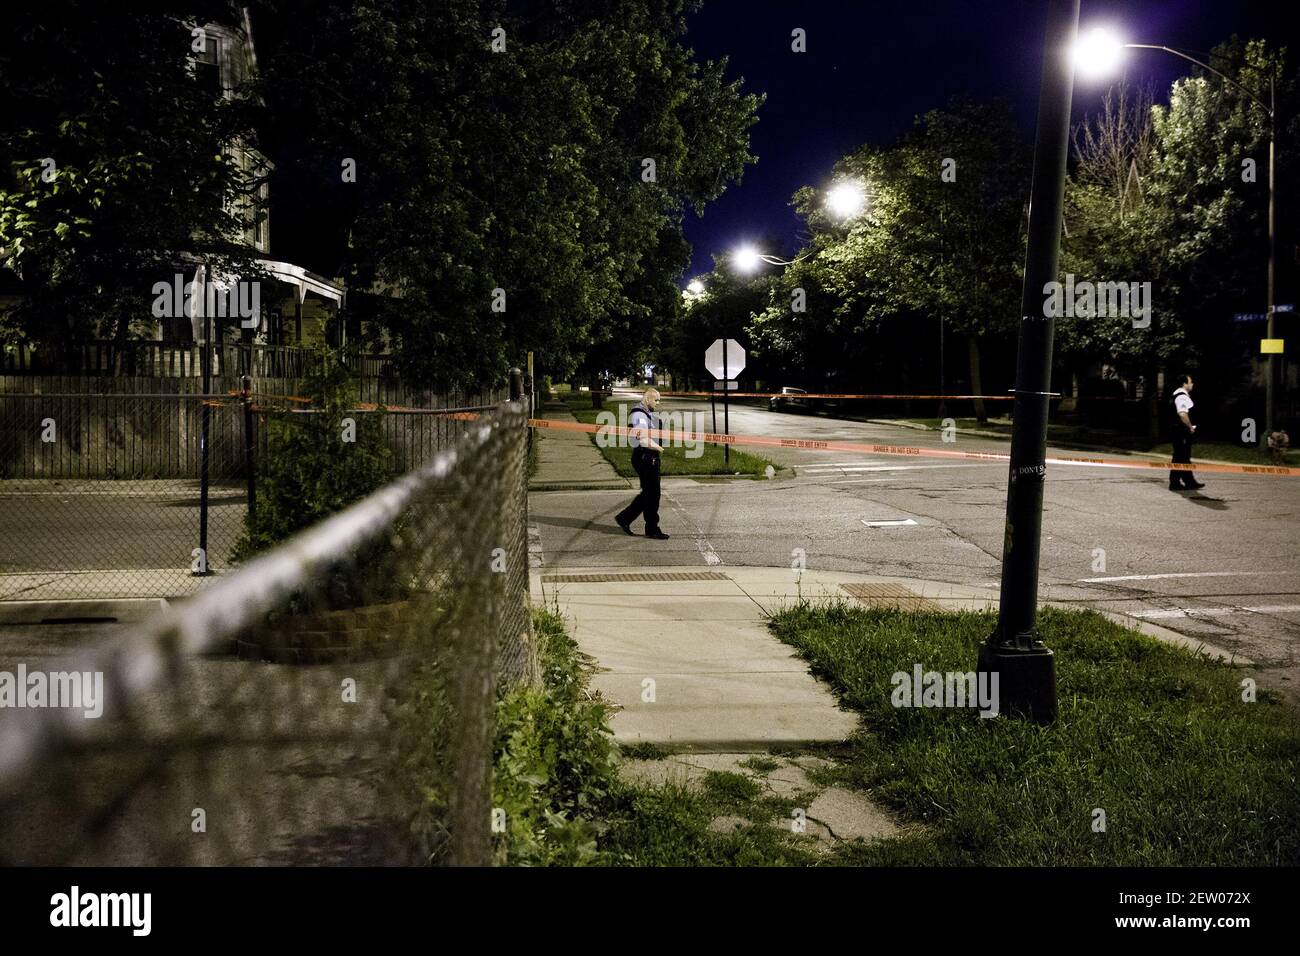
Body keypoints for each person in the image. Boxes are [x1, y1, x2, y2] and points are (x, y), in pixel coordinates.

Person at [615, 387, 670, 539]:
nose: (658, 403)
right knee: (653, 494)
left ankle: (626, 518)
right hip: (646, 457)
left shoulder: (646, 413)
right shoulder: (639, 415)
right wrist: (659, 448)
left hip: (648, 457)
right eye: (655, 400)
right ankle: (651, 528)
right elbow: (642, 438)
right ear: (647, 399)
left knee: (649, 493)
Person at [1169, 373, 1205, 491]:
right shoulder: (1182, 396)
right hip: (1181, 431)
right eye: (1190, 382)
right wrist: (1190, 426)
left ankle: (1188, 481)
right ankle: (1176, 483)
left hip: (1177, 430)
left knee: (1181, 456)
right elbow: (1183, 414)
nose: (1192, 384)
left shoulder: (1177, 394)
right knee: (1181, 456)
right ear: (1185, 384)